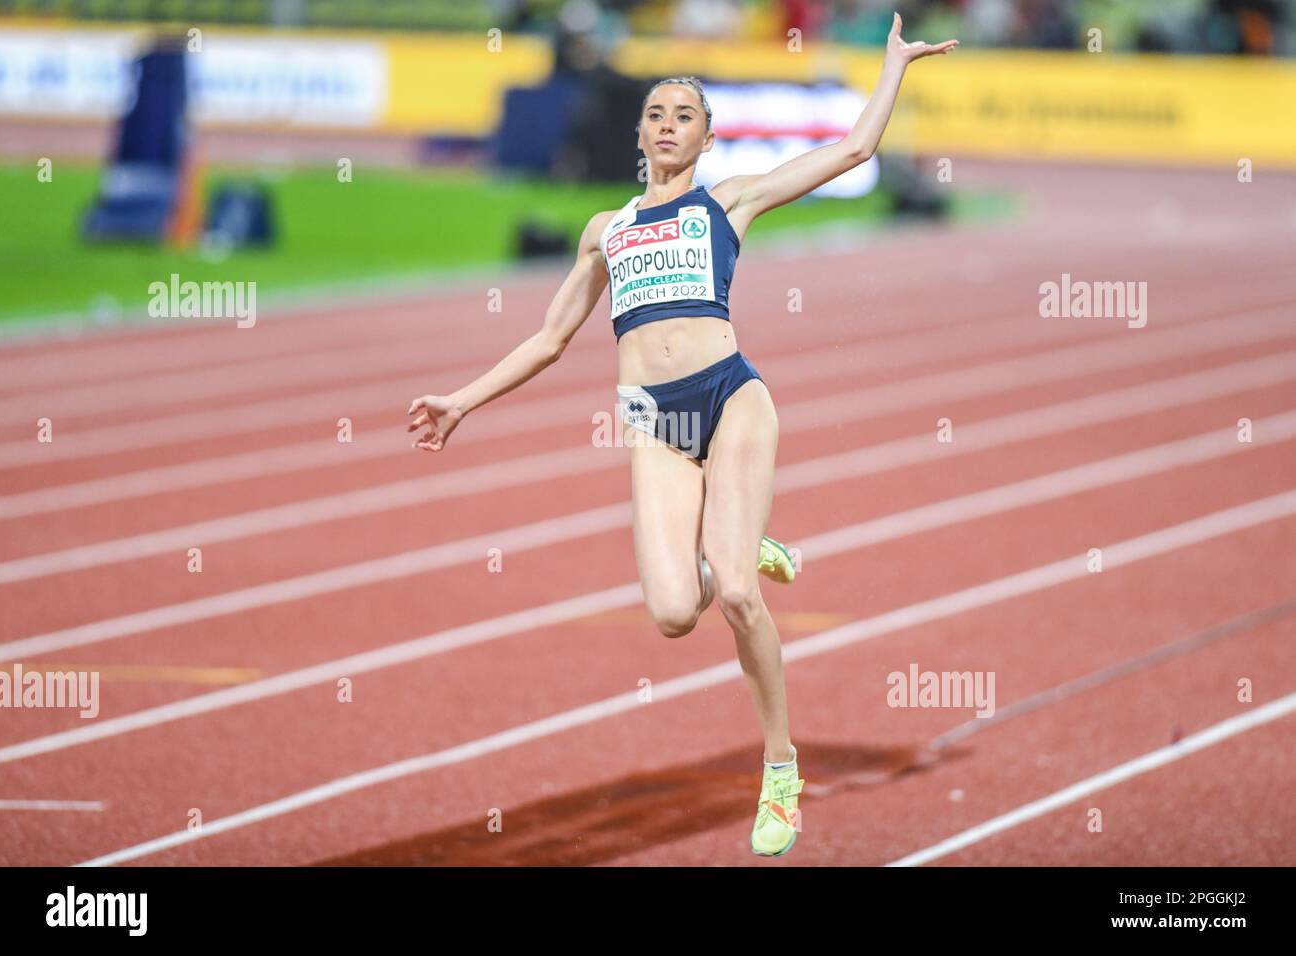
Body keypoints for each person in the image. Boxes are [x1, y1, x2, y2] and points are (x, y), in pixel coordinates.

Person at [408, 12, 957, 858]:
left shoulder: (728, 203)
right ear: (641, 133)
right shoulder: (606, 230)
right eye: (657, 114)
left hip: (731, 396)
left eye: (685, 116)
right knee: (671, 614)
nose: (668, 127)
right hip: (652, 422)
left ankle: (780, 768)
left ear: (706, 137)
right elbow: (550, 339)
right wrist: (461, 401)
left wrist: (892, 72)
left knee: (738, 596)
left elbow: (850, 152)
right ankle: (737, 536)